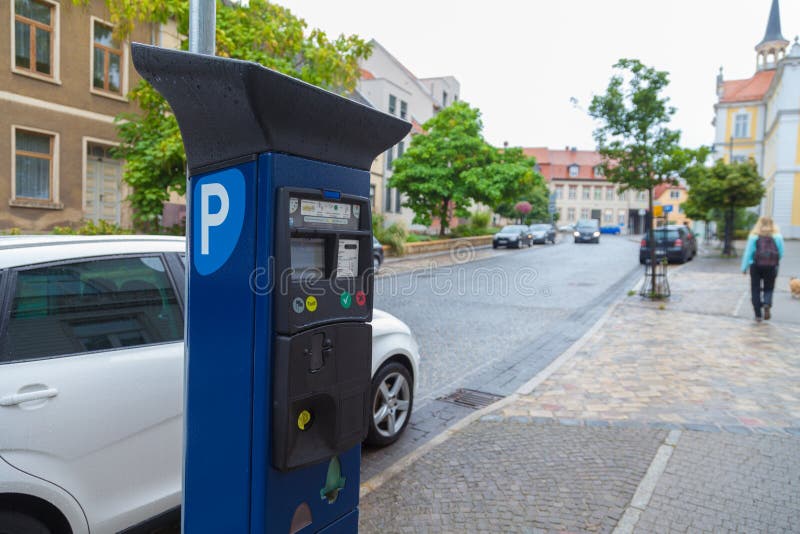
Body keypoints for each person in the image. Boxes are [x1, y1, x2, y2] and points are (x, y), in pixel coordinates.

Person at [741, 216, 784, 322]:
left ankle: (758, 315)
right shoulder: (777, 236)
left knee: (755, 288)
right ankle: (767, 303)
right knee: (769, 287)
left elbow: (748, 253)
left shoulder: (754, 236)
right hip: (771, 265)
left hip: (756, 265)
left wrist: (744, 267)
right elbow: (781, 252)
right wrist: (775, 262)